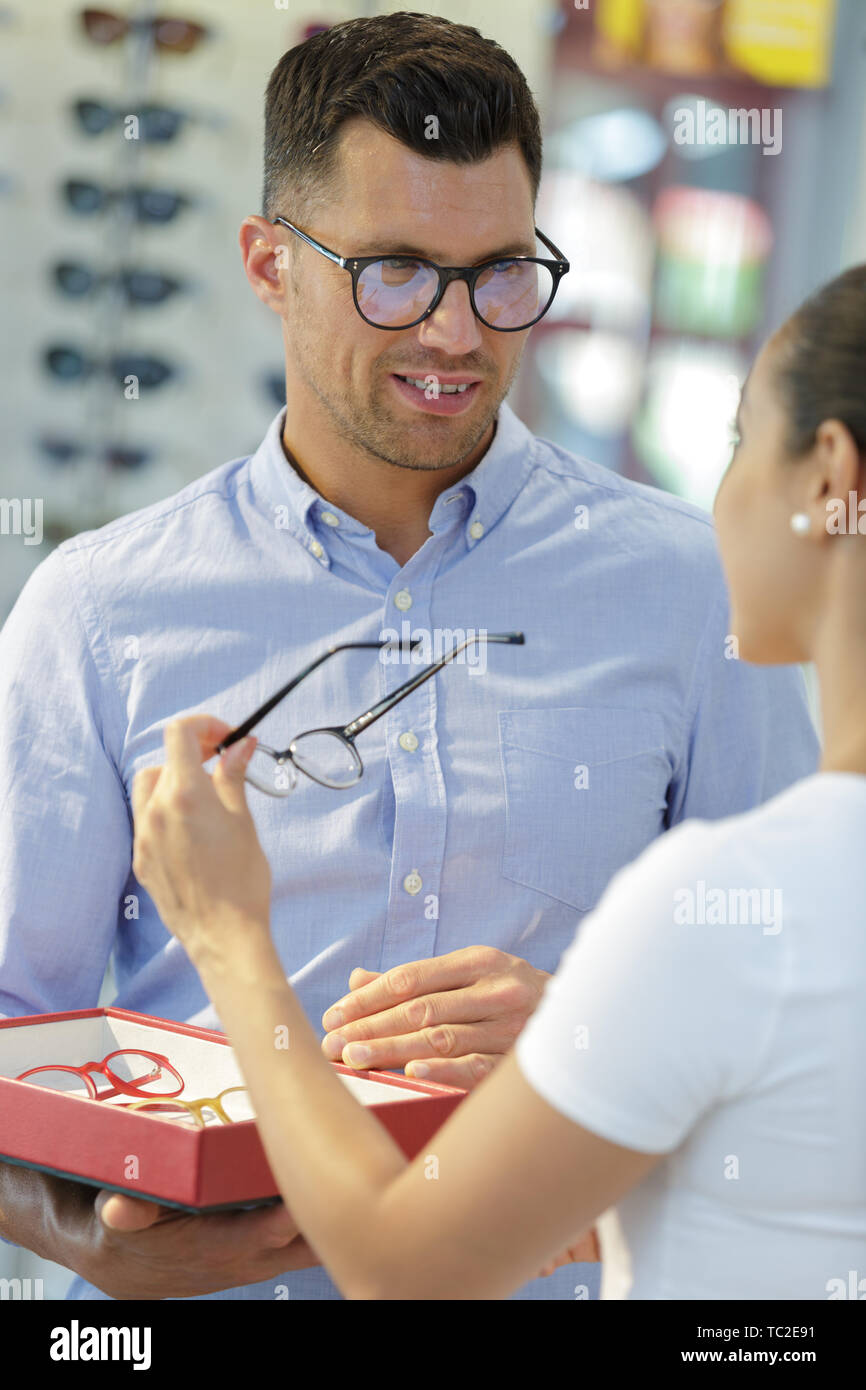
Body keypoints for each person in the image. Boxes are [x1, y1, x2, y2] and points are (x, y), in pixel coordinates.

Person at [0, 13, 817, 1302]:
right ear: (270, 264)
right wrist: (74, 1239)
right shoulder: (94, 613)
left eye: (500, 272)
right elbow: (9, 1021)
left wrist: (591, 1035)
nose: (456, 333)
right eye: (394, 271)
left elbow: (804, 1020)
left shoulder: (689, 592)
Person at [131, 261, 866, 1300]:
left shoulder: (727, 900)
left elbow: (403, 1269)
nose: (720, 494)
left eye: (743, 441)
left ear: (830, 481)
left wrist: (226, 935)